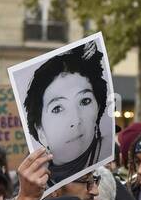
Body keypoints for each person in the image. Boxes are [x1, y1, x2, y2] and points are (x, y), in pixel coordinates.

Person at [20, 39, 111, 189]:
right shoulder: (30, 187)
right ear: (40, 130)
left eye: (85, 101)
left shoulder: (106, 180)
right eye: (57, 108)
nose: (75, 119)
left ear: (98, 107)